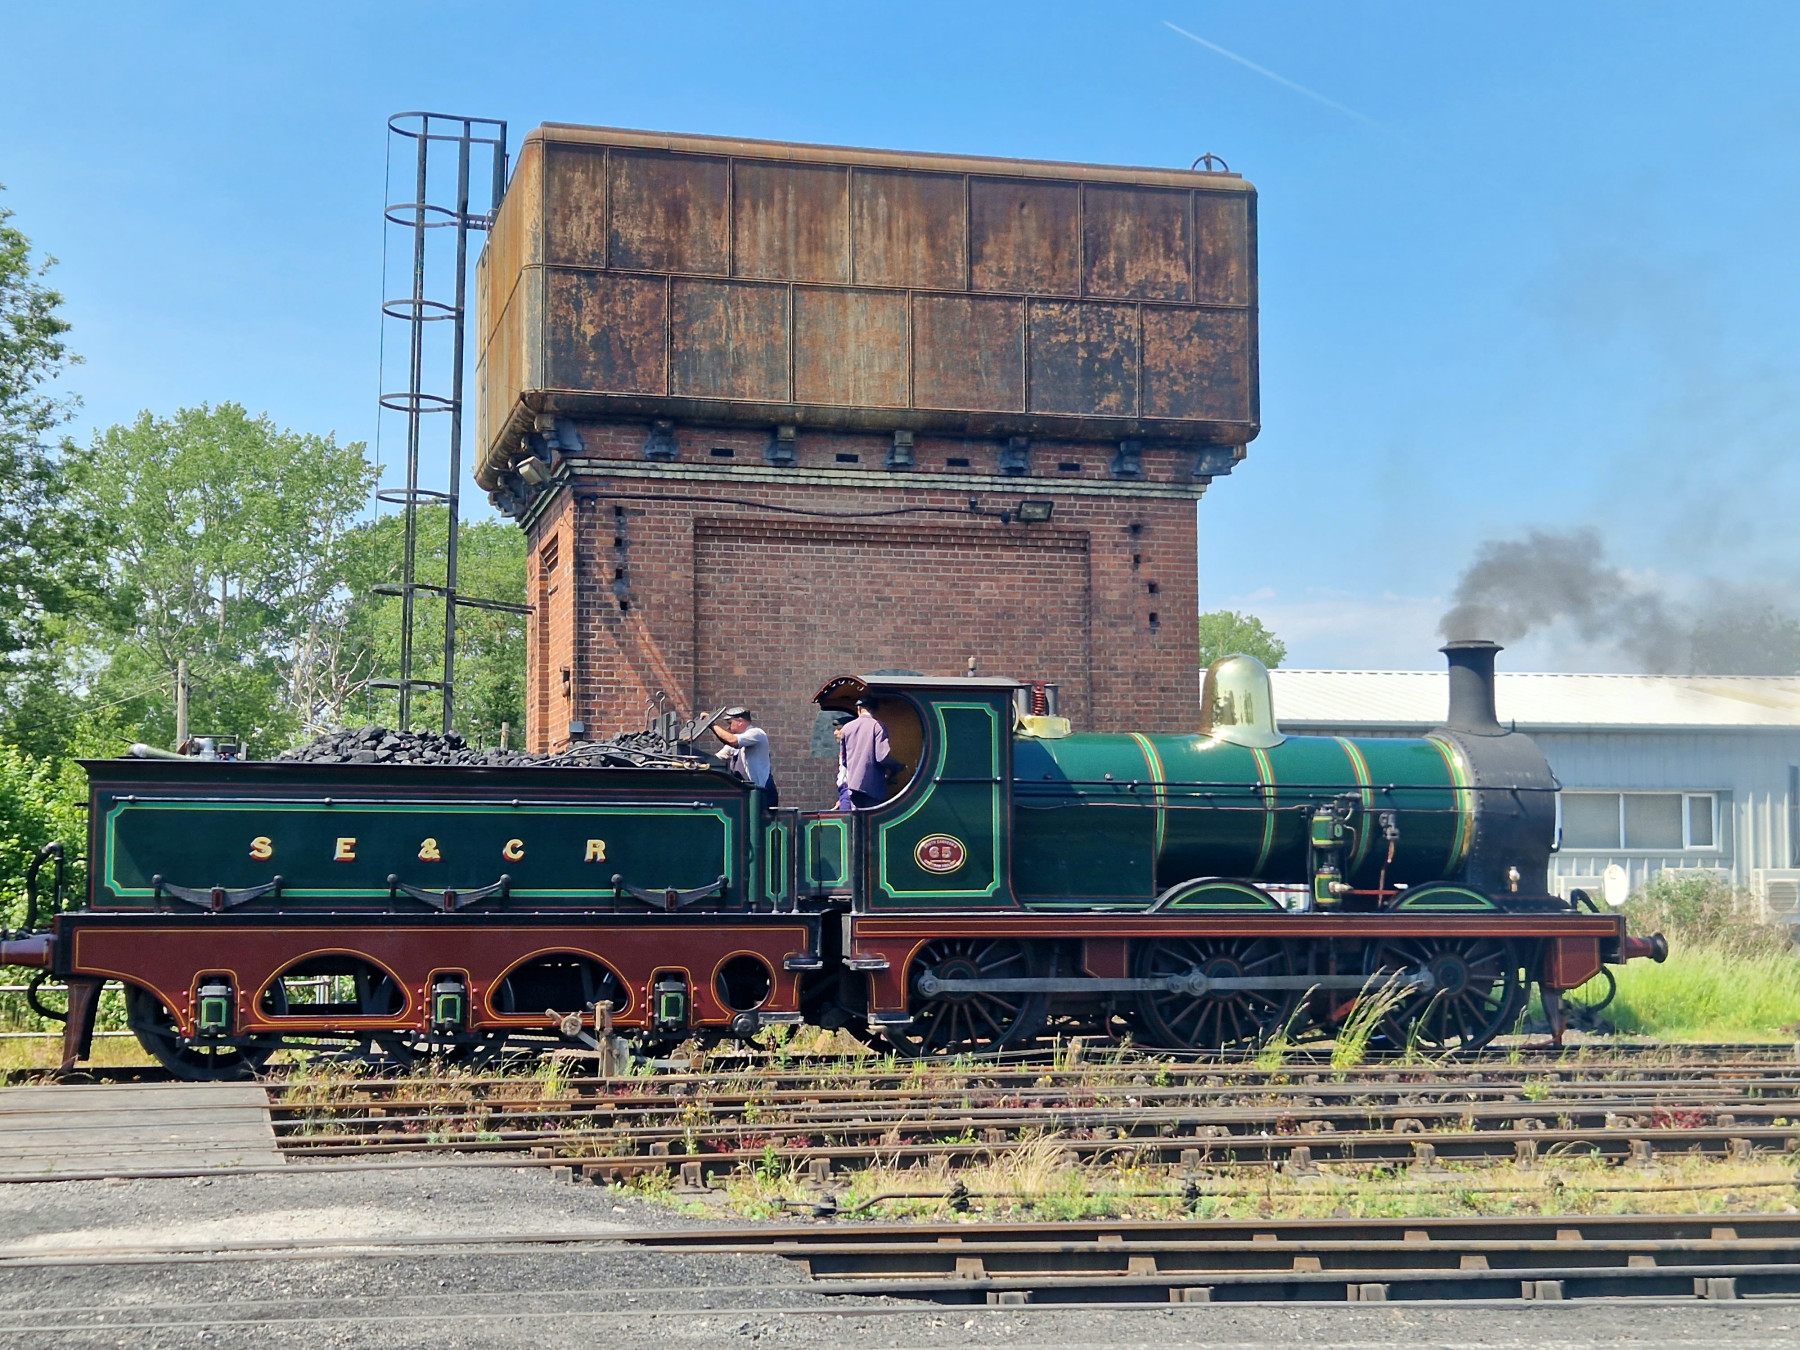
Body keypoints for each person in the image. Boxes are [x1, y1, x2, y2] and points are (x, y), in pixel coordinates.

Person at [836, 697, 896, 809]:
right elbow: (882, 757)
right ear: (875, 710)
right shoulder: (877, 726)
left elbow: (844, 760)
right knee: (872, 821)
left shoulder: (847, 728)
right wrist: (896, 767)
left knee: (856, 821)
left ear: (859, 709)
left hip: (852, 786)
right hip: (872, 787)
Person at [712, 707, 778, 807]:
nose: (729, 728)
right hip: (744, 792)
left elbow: (733, 741)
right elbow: (717, 758)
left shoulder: (756, 733)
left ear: (740, 721)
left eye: (730, 723)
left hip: (760, 793)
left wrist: (712, 725)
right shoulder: (734, 743)